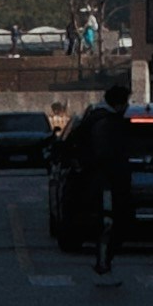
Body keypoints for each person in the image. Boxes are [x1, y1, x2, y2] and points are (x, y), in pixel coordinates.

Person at [62, 88, 134, 284]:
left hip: (102, 181)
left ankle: (104, 264)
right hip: (105, 182)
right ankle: (103, 265)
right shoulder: (105, 123)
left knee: (111, 222)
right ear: (119, 104)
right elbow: (105, 154)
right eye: (126, 102)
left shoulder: (97, 119)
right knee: (109, 223)